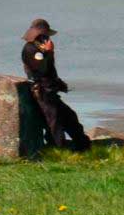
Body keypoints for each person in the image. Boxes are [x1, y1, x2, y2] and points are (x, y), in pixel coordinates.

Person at [22, 19, 91, 152]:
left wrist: (58, 83)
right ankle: (58, 151)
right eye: (45, 35)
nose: (47, 38)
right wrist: (49, 52)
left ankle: (83, 146)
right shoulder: (31, 49)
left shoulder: (38, 48)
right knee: (53, 123)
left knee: (70, 117)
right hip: (43, 93)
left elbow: (49, 71)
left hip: (50, 91)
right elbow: (42, 69)